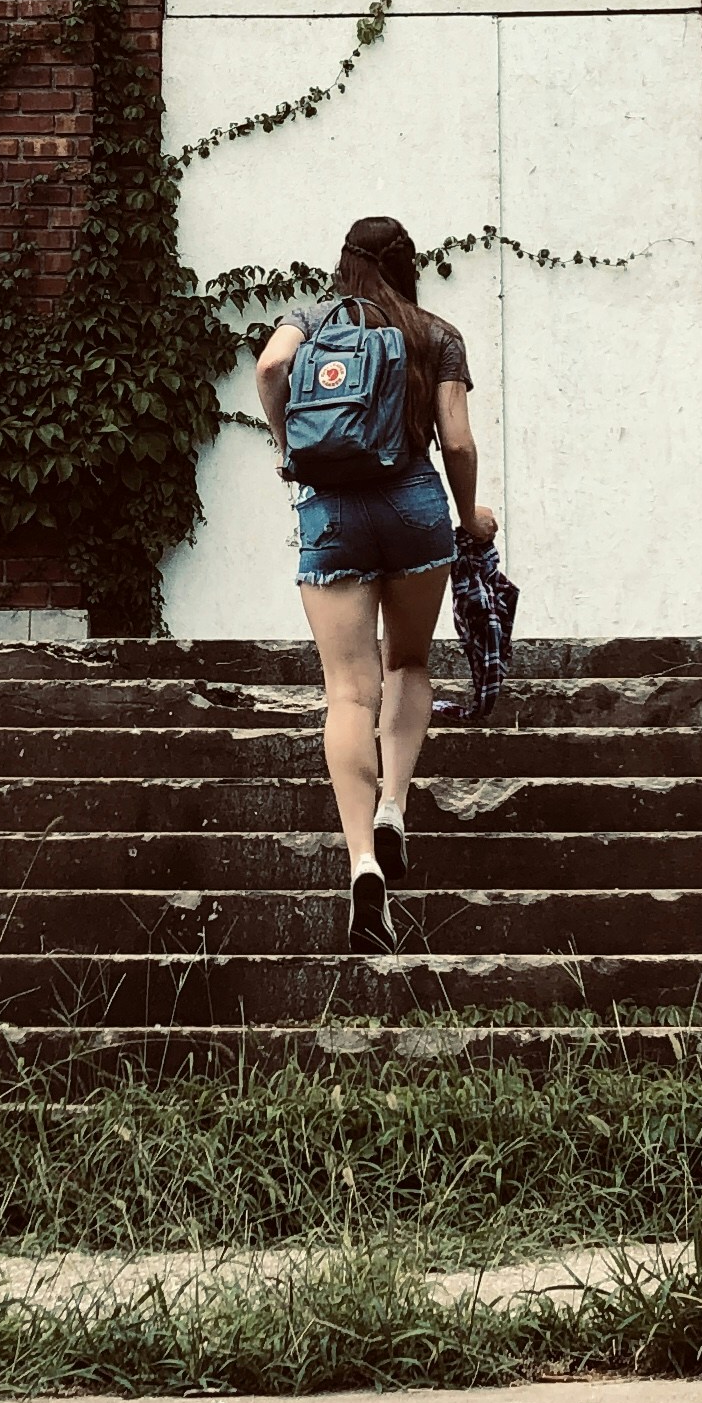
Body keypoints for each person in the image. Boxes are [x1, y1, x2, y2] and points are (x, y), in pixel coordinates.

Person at [254, 215, 487, 952]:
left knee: (348, 691)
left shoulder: (311, 317)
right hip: (415, 507)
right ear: (407, 263)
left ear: (346, 259)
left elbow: (267, 369)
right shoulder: (436, 333)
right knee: (408, 662)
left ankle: (362, 864)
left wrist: (291, 445)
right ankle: (393, 806)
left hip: (331, 513)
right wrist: (470, 514)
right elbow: (456, 440)